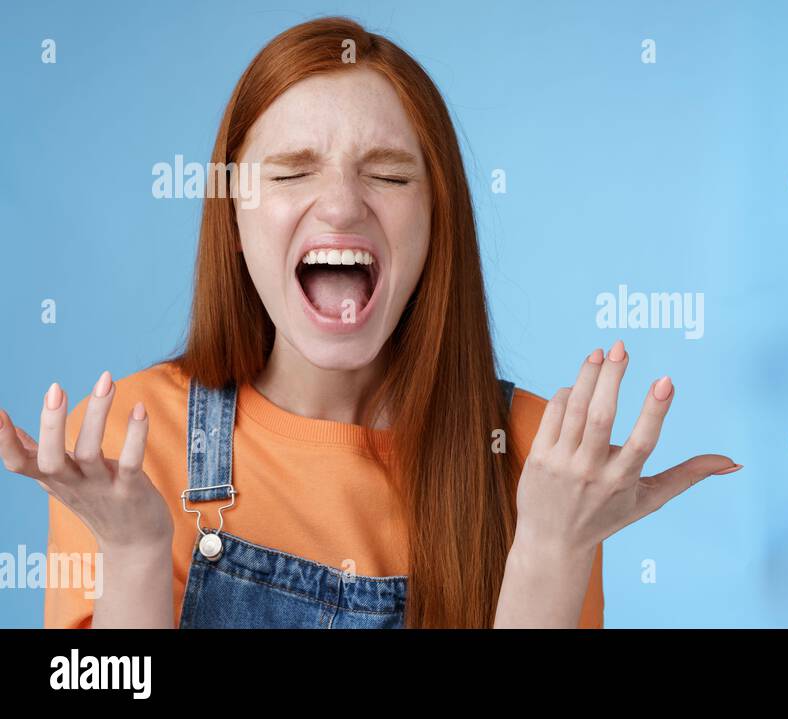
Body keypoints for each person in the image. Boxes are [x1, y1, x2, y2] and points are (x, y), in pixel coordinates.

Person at [0, 17, 740, 629]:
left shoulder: (543, 460)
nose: (341, 204)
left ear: (436, 223)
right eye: (291, 172)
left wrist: (550, 548)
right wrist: (132, 553)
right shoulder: (124, 444)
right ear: (233, 222)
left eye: (388, 175)